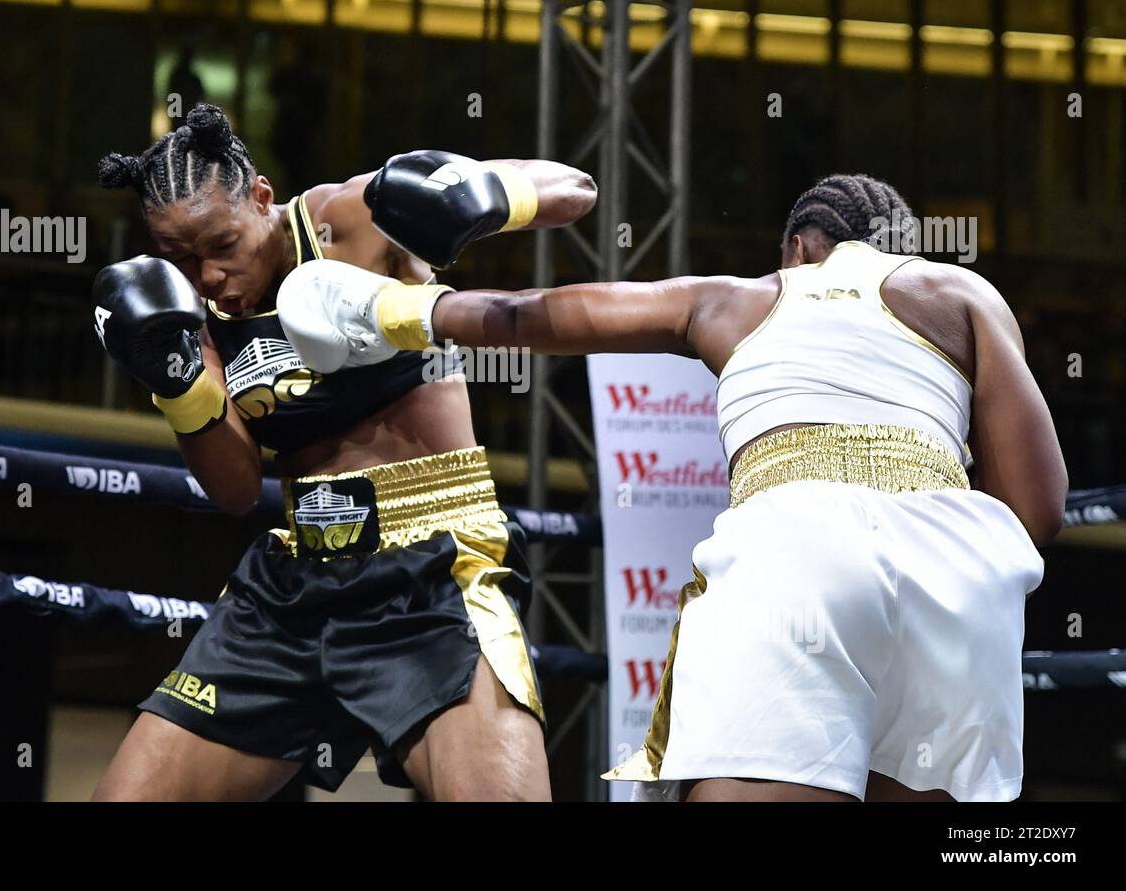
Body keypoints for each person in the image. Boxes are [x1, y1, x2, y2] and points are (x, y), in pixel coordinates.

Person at [277, 173, 1067, 802]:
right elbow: (1037, 511)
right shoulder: (965, 296)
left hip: (799, 559)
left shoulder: (738, 298)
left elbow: (532, 318)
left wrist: (400, 311)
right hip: (962, 581)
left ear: (797, 248)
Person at [88, 102, 597, 801]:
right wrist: (178, 387)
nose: (204, 275)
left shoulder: (351, 217)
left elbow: (576, 187)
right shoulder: (190, 316)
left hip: (429, 568)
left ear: (262, 197)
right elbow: (236, 489)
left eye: (221, 243)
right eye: (180, 257)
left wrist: (478, 197)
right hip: (295, 580)